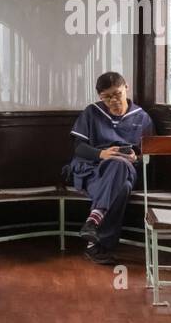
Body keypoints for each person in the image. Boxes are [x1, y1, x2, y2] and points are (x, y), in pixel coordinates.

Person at [65, 71, 154, 265]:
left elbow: (148, 155)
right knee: (122, 188)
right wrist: (102, 154)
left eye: (117, 94)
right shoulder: (92, 112)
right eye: (106, 97)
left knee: (120, 164)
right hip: (93, 170)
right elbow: (79, 148)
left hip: (126, 169)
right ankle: (96, 243)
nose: (113, 100)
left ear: (126, 88)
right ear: (100, 97)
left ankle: (93, 223)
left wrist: (135, 157)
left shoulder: (142, 118)